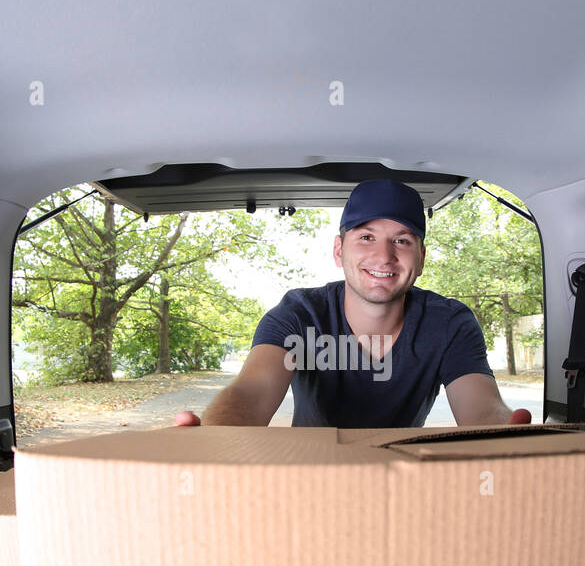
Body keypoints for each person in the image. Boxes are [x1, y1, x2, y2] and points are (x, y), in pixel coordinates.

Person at [176, 178, 531, 428]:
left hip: (402, 482)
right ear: (338, 250)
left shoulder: (450, 322)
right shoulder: (298, 315)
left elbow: (482, 411)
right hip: (311, 477)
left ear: (420, 259)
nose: (384, 256)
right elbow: (251, 393)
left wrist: (508, 428)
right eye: (365, 237)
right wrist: (216, 434)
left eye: (402, 241)